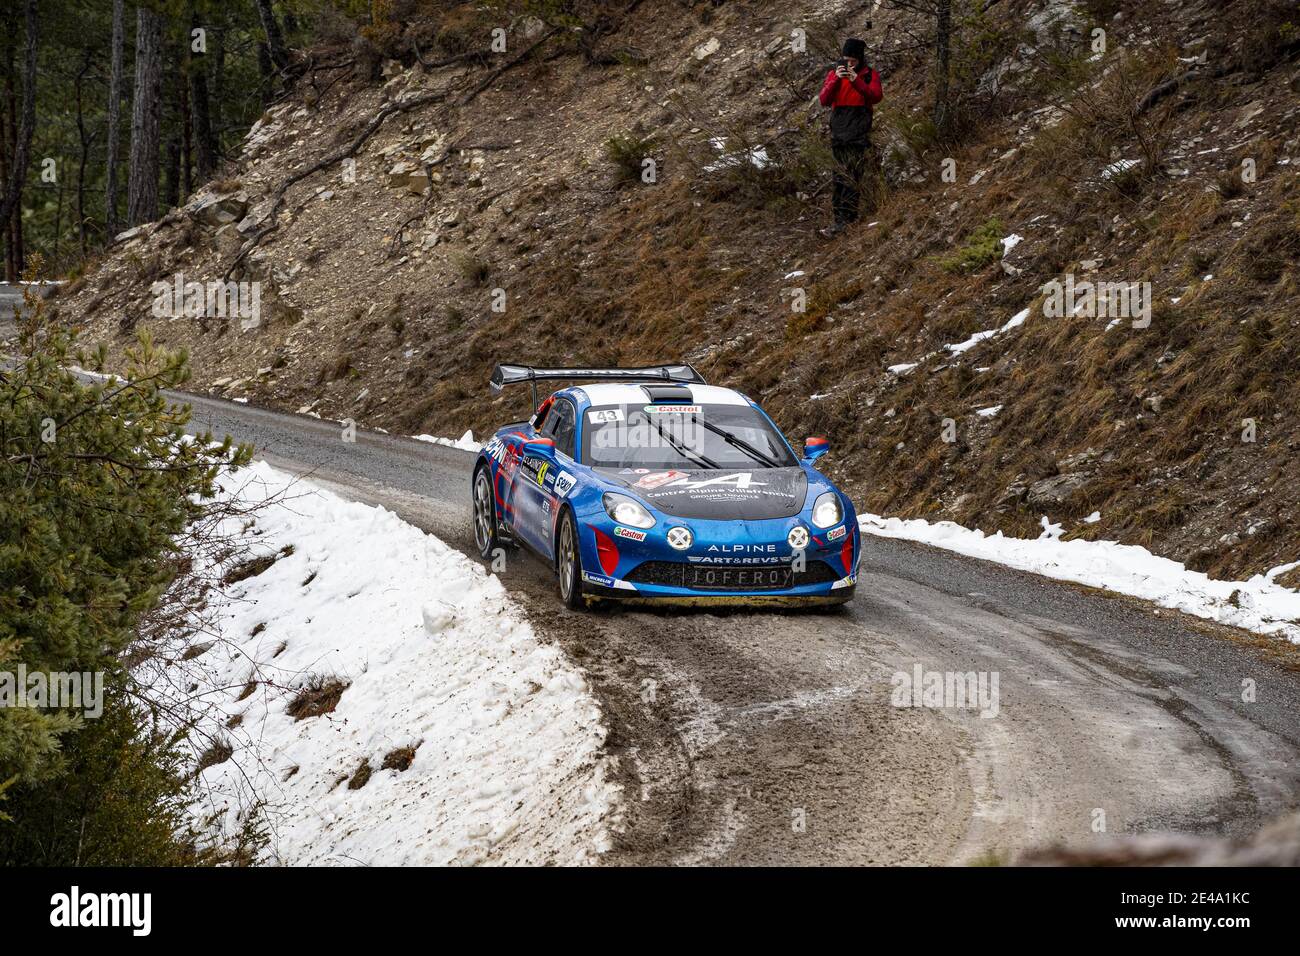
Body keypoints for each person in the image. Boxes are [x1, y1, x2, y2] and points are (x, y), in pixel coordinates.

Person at [817, 38, 882, 238]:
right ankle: (839, 221)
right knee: (838, 178)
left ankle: (848, 220)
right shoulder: (833, 74)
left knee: (852, 176)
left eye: (852, 60)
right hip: (839, 132)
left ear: (860, 59)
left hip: (858, 132)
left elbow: (875, 97)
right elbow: (824, 100)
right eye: (846, 59)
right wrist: (837, 79)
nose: (848, 64)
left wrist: (856, 80)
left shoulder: (869, 75)